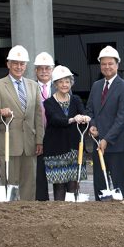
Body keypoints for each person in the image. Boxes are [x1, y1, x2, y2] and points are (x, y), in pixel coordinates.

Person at [0, 45, 44, 201]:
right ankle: (10, 216)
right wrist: (0, 113)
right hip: (9, 144)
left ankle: (27, 214)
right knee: (10, 184)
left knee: (29, 184)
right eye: (15, 63)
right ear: (8, 64)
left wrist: (39, 140)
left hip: (30, 144)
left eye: (22, 63)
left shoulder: (33, 85)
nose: (19, 67)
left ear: (26, 66)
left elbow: (38, 115)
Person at [85, 45, 124, 199]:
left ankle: (120, 217)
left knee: (118, 186)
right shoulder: (96, 85)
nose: (107, 67)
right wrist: (92, 125)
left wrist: (106, 139)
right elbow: (89, 110)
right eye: (103, 64)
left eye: (110, 63)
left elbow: (122, 119)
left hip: (116, 144)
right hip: (98, 143)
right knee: (100, 184)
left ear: (117, 65)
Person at [42, 65, 90, 200]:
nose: (64, 85)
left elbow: (83, 112)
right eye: (61, 82)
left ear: (71, 83)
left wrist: (85, 118)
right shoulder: (49, 102)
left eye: (67, 82)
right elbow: (54, 120)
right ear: (55, 84)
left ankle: (72, 217)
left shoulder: (76, 99)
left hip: (74, 149)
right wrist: (72, 119)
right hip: (56, 151)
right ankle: (59, 216)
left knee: (73, 186)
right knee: (59, 186)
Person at [34, 51, 55, 201]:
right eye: (40, 68)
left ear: (52, 70)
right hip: (37, 137)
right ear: (35, 71)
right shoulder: (29, 88)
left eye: (47, 68)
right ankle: (41, 202)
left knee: (58, 171)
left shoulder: (61, 87)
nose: (44, 71)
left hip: (56, 136)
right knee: (39, 172)